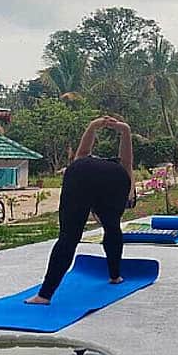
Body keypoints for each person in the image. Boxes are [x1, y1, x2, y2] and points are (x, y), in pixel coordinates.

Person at [26, 116, 137, 305]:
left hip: (81, 172)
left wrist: (93, 126)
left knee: (69, 236)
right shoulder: (122, 180)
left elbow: (83, 153)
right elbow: (127, 160)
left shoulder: (98, 168)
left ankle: (44, 295)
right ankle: (115, 276)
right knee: (112, 228)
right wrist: (125, 130)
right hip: (113, 179)